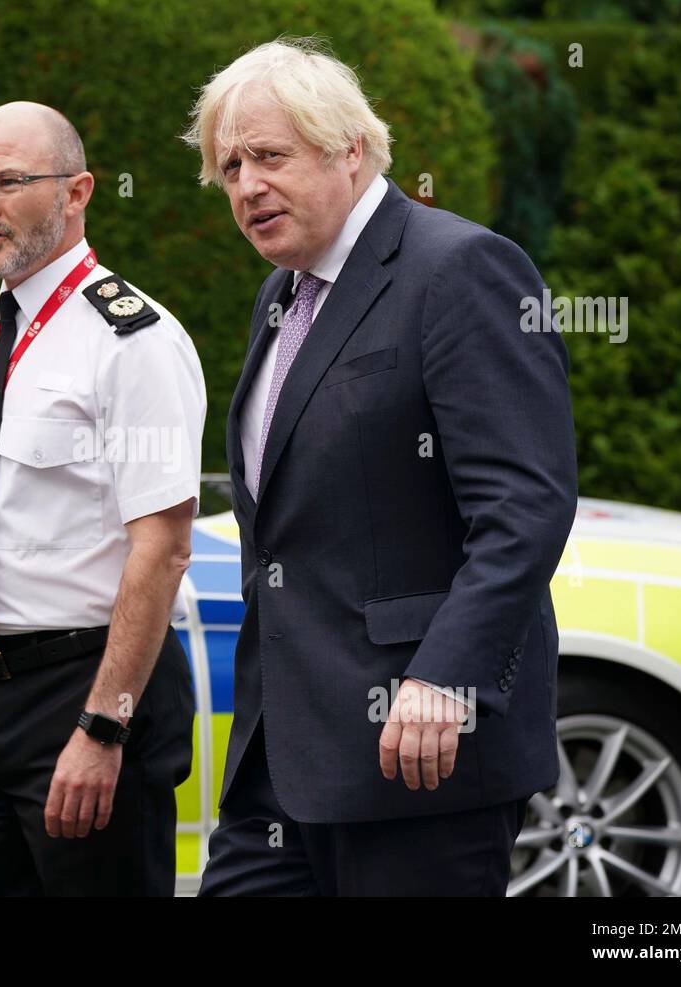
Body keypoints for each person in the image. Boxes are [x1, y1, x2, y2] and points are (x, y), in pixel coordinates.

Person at [182, 38, 578, 895]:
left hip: (418, 759)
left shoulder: (461, 269)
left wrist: (444, 675)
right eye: (231, 166)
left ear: (350, 149)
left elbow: (526, 506)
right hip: (281, 767)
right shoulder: (282, 293)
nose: (247, 185)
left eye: (270, 156)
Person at [0, 101, 206, 896]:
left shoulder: (135, 342)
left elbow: (162, 546)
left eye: (9, 182)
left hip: (87, 689)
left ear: (78, 191)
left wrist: (103, 724)